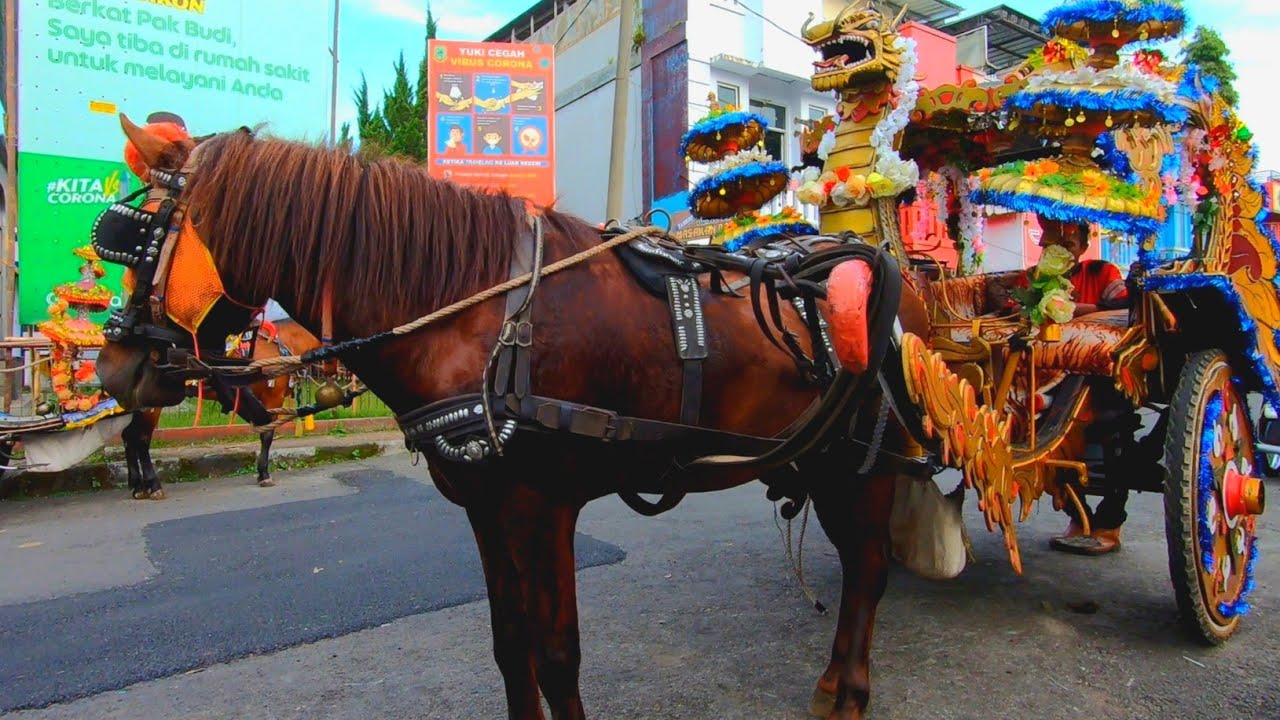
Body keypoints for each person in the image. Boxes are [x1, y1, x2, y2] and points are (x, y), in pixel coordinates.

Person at [1025, 218, 1132, 555]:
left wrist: (1070, 312)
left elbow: (1122, 306)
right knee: (1049, 437)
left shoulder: (1102, 271)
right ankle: (1078, 517)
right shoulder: (1036, 279)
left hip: (1101, 376)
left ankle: (1110, 521)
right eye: (1053, 246)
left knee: (1115, 431)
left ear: (1084, 246)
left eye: (1069, 246)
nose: (1061, 253)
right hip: (1049, 376)